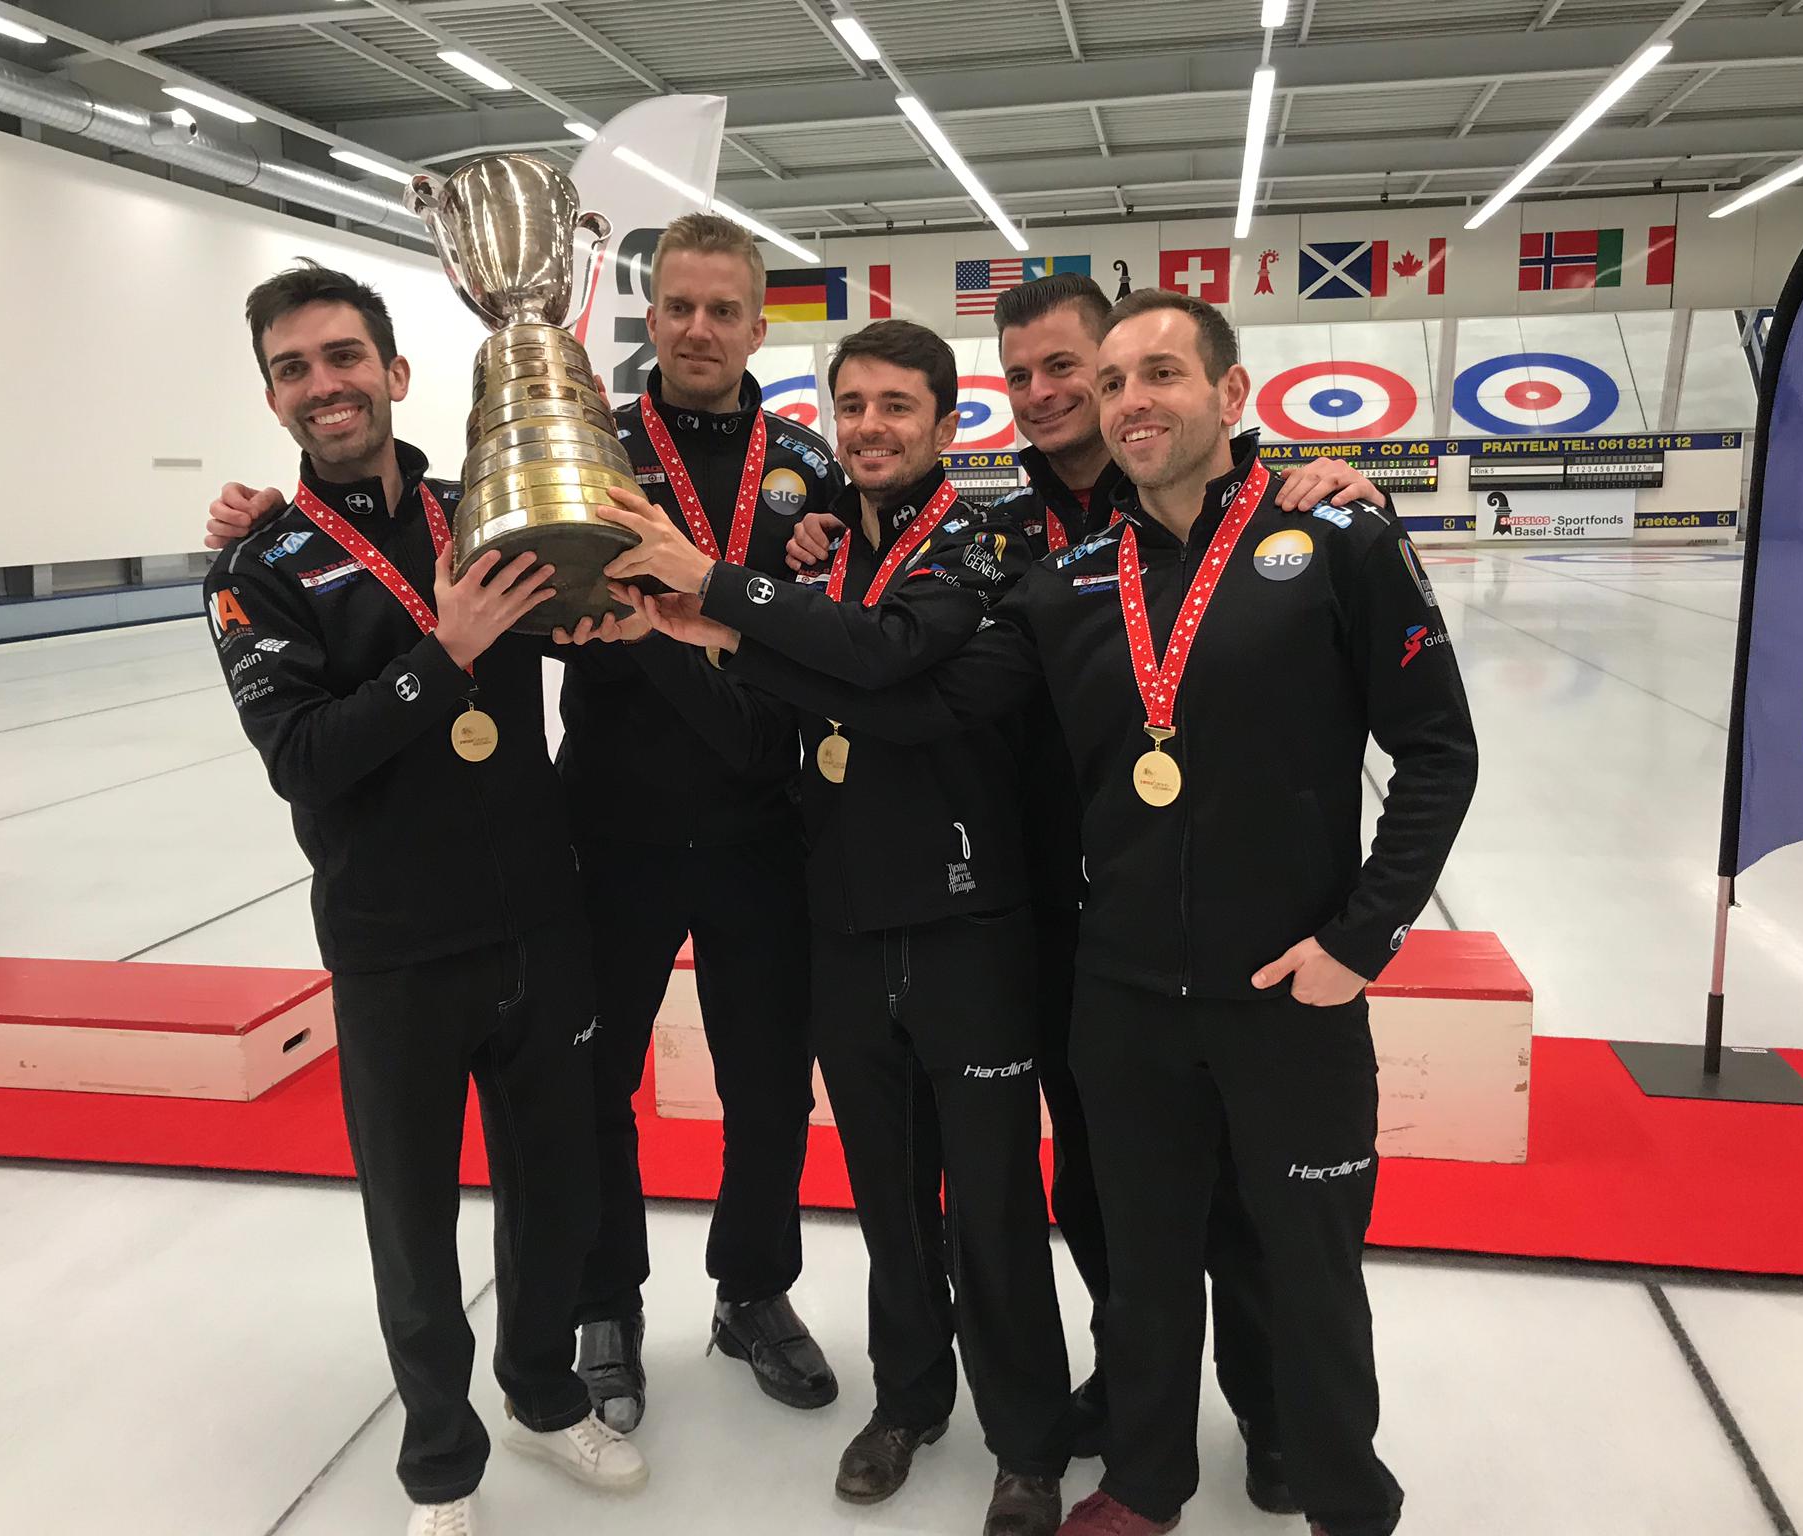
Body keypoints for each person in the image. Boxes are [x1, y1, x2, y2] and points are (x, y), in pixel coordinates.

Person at [625, 288, 1479, 1536]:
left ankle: (1322, 1472)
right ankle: (1143, 1475)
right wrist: (721, 632)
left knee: (1291, 1254)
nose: (1119, 400)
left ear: (1229, 396)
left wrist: (1361, 939)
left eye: (1150, 375)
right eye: (1101, 380)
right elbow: (919, 703)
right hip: (1112, 965)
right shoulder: (1060, 566)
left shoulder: (1324, 538)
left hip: (1273, 969)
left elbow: (1435, 752)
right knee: (1127, 1247)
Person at [203, 213, 842, 1434]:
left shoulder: (805, 465)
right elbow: (436, 550)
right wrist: (254, 519)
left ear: (762, 324)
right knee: (592, 1092)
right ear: (647, 322)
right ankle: (605, 1302)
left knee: (767, 1082)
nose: (699, 329)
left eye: (724, 310)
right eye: (678, 308)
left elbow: (850, 594)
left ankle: (754, 1289)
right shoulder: (585, 446)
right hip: (606, 824)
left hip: (767, 821)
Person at [790, 272, 1392, 1513]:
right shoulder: (1003, 535)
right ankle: (1130, 1410)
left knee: (1245, 1205)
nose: (1057, 394)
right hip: (1051, 919)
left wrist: (1333, 487)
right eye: (1028, 376)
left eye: (1078, 367)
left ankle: (1272, 1417)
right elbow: (925, 674)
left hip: (1221, 916)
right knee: (1112, 1198)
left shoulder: (1256, 507)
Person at [602, 318, 1073, 1536]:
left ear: (943, 421)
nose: (867, 427)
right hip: (846, 930)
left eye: (895, 407)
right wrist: (667, 647)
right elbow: (769, 740)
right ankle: (908, 1399)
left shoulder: (978, 548)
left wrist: (717, 599)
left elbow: (894, 671)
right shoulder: (820, 569)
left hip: (969, 924)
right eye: (850, 405)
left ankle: (1026, 1437)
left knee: (993, 1201)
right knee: (885, 1196)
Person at [203, 261, 646, 1536]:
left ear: (396, 375)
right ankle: (440, 1466)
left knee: (554, 1188)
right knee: (414, 1220)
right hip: (394, 944)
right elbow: (302, 756)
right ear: (274, 396)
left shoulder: (484, 509)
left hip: (538, 919)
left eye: (344, 357)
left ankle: (544, 1394)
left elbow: (587, 597)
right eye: (295, 368)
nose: (323, 384)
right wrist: (439, 654)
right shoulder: (258, 564)